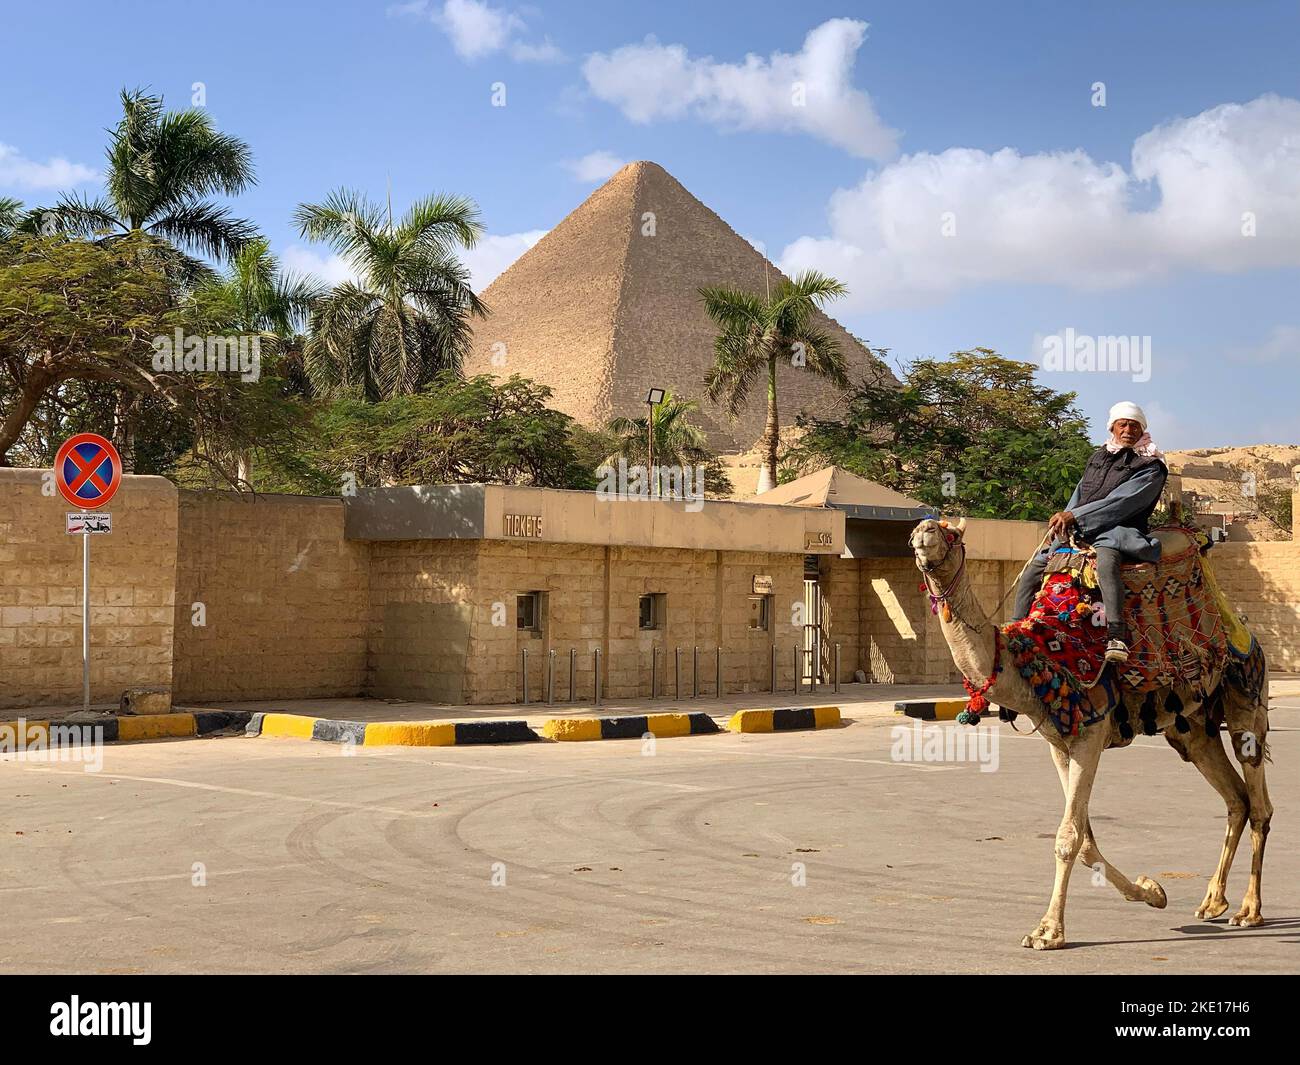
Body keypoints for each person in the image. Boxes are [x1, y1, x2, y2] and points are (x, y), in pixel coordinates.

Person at [1011, 401, 1168, 664]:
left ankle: (1116, 635)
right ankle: (1016, 629)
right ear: (1113, 428)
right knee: (1036, 566)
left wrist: (1076, 517)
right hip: (1083, 528)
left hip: (1120, 530)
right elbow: (1080, 495)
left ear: (1142, 429)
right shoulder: (1098, 457)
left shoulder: (1151, 466)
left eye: (1134, 425)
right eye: (1123, 424)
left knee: (1106, 563)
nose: (1128, 429)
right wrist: (1063, 521)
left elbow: (1122, 502)